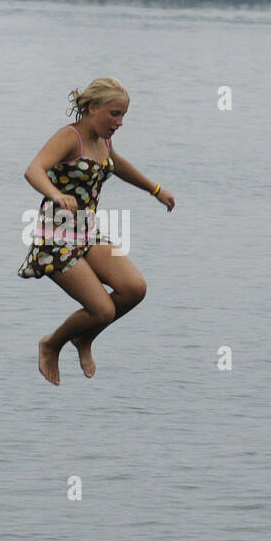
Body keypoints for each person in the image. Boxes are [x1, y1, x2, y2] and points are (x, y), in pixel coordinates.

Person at [19, 78, 174, 385]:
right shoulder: (69, 137)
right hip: (56, 237)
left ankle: (84, 339)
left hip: (88, 233)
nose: (119, 122)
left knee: (134, 289)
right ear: (93, 108)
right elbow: (33, 169)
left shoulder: (103, 139)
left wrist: (154, 189)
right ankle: (52, 344)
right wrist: (55, 194)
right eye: (114, 114)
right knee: (102, 309)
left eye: (123, 116)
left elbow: (115, 164)